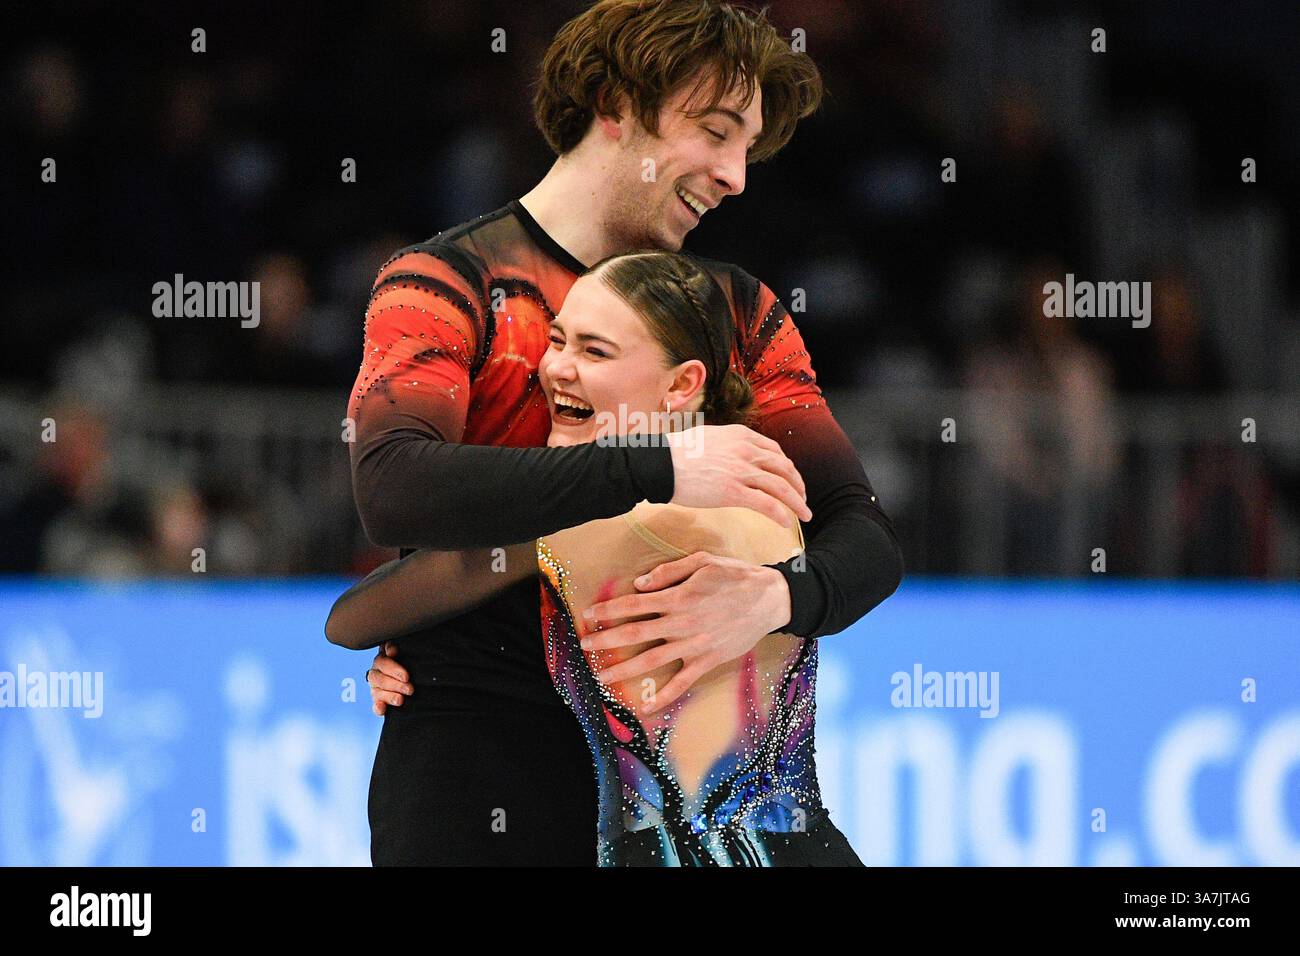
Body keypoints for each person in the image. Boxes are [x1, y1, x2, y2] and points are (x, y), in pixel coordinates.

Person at [346, 0, 903, 865]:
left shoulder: (734, 312)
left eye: (746, 148)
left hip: (693, 782)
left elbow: (860, 532)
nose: (735, 175)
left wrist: (776, 596)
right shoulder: (447, 282)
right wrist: (661, 467)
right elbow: (394, 489)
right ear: (615, 104)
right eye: (716, 133)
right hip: (479, 772)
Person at [331, 251, 865, 865]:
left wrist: (433, 657)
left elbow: (353, 618)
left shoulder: (619, 524)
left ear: (681, 385)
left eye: (595, 352)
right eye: (557, 341)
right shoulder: (754, 492)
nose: (556, 369)